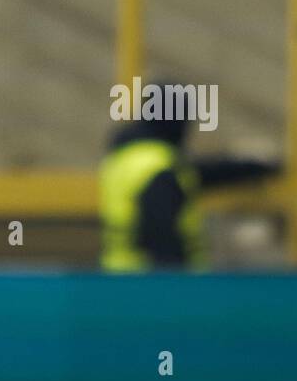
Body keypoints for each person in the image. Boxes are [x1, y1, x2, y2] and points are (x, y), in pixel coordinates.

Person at [99, 93, 280, 271]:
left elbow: (202, 173)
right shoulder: (159, 170)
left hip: (122, 277)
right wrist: (180, 286)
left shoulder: (129, 157)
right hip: (153, 285)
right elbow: (161, 234)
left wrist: (256, 168)